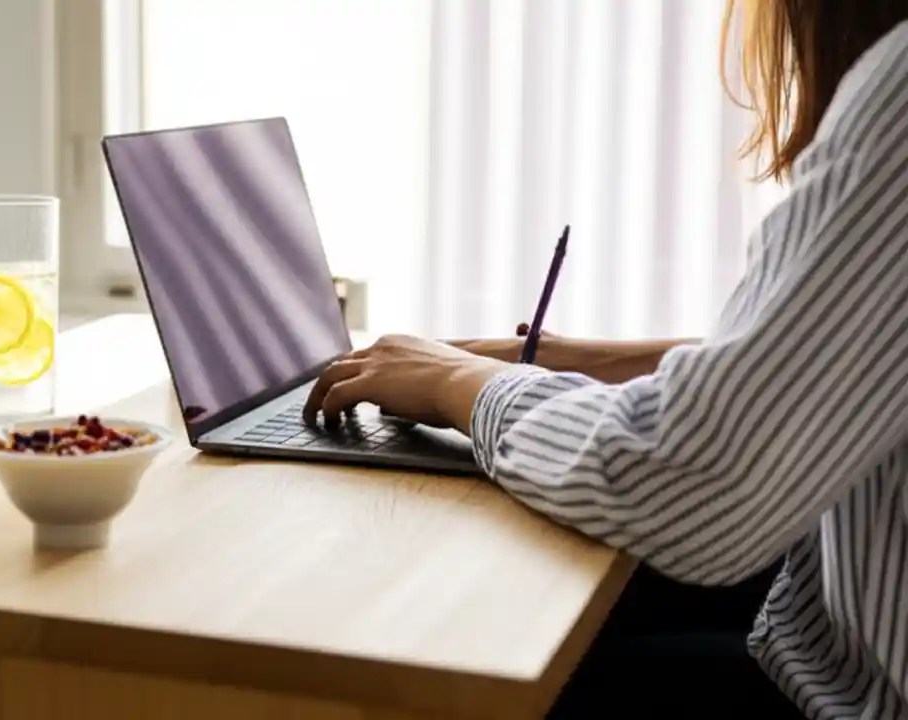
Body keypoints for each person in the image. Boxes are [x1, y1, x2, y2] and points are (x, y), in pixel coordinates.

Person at [302, 1, 908, 717]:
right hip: (834, 622)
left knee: (461, 656)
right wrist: (568, 361)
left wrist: (463, 387)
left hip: (856, 685)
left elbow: (693, 481)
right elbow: (831, 363)